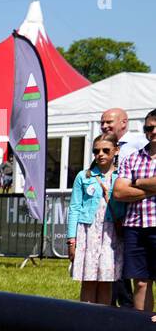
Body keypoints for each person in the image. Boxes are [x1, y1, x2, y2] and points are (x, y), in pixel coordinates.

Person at [67, 136, 126, 305]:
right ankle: (86, 319)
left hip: (111, 233)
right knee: (89, 279)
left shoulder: (122, 175)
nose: (100, 154)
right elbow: (74, 208)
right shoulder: (83, 176)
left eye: (105, 150)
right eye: (96, 151)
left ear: (116, 150)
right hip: (88, 231)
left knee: (106, 280)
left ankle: (102, 320)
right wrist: (72, 240)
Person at [114, 109, 156, 312]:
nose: (153, 131)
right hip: (136, 226)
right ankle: (143, 329)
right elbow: (119, 192)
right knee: (140, 282)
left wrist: (137, 182)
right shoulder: (131, 158)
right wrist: (149, 189)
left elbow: (128, 187)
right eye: (149, 127)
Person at [100, 108, 135, 307]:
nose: (105, 126)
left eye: (109, 122)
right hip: (110, 214)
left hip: (134, 215)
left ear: (124, 122)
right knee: (111, 261)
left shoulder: (140, 144)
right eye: (102, 122)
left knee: (130, 268)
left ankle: (130, 309)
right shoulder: (103, 146)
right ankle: (110, 306)